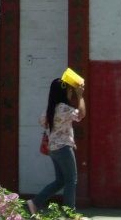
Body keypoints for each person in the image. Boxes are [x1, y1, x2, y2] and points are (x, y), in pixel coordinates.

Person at [27, 77, 86, 215]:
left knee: (60, 181)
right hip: (64, 148)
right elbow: (81, 114)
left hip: (53, 149)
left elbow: (42, 122)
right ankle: (70, 213)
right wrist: (80, 96)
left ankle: (35, 202)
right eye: (70, 90)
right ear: (64, 92)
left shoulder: (51, 109)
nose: (71, 93)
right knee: (71, 180)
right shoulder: (64, 108)